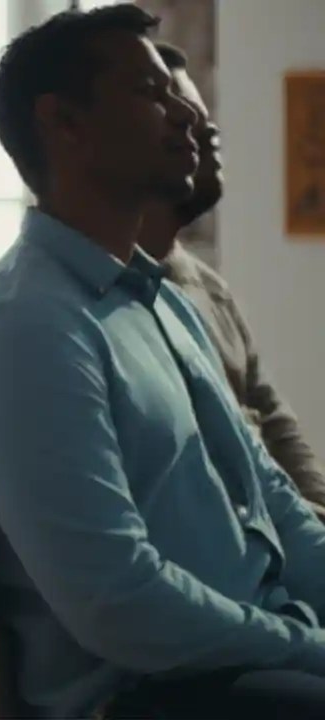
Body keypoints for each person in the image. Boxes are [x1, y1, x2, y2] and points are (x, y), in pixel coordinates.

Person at [0, 6, 325, 718]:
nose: (184, 112)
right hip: (147, 693)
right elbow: (119, 603)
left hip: (245, 650)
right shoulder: (23, 326)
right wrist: (305, 643)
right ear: (65, 123)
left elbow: (275, 501)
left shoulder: (160, 299)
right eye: (150, 91)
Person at [138, 43, 325, 517]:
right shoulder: (112, 301)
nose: (207, 127)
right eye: (183, 112)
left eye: (200, 111)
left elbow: (277, 427)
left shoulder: (208, 288)